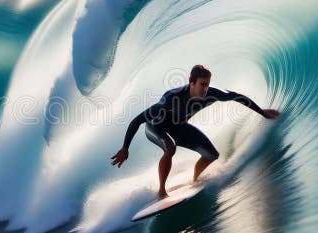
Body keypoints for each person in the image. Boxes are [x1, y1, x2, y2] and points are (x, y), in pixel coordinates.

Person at [110, 64, 280, 199]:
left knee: (211, 155)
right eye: (202, 85)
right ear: (191, 83)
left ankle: (195, 179)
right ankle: (161, 191)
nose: (205, 89)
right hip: (156, 128)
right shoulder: (172, 98)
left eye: (207, 84)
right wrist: (125, 148)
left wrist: (263, 113)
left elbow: (237, 97)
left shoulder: (212, 94)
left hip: (179, 127)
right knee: (170, 147)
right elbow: (138, 120)